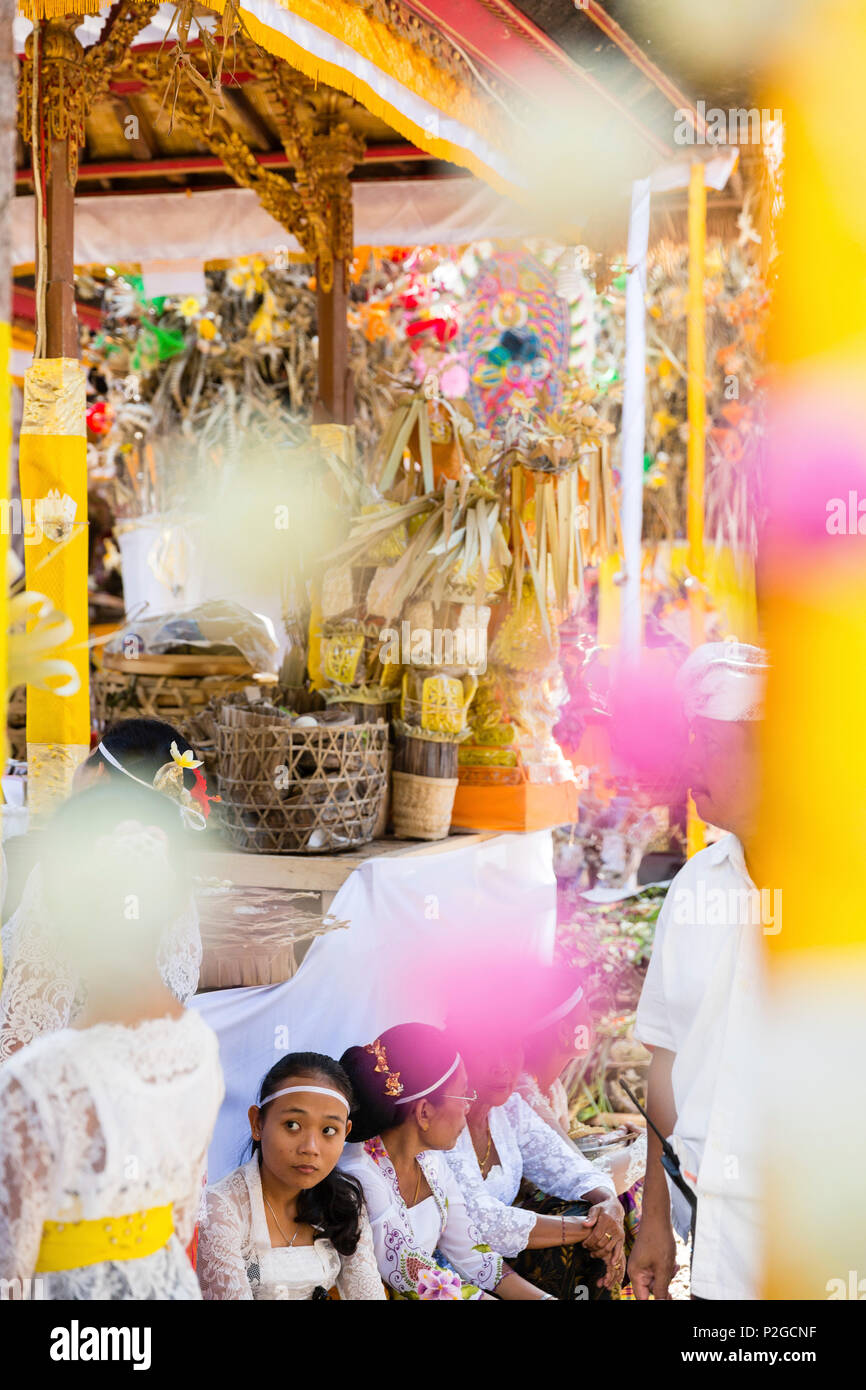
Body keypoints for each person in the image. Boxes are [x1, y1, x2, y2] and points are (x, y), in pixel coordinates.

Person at [0, 783, 224, 1298]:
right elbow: (181, 1219)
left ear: (56, 909)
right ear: (170, 910)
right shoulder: (197, 1047)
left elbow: (10, 1267)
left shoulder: (36, 1081)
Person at [628, 642, 768, 1301]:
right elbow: (666, 1059)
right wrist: (655, 1218)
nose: (690, 762)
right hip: (716, 1229)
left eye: (709, 742)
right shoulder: (696, 887)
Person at [0, 718, 206, 1060]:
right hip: (151, 1076)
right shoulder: (170, 868)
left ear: (97, 776)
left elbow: (29, 1028)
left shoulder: (68, 867)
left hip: (75, 1083)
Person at [339, 1023, 545, 1299]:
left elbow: (476, 1257)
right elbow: (416, 1277)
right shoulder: (359, 1175)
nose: (468, 1105)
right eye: (462, 1094)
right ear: (424, 1112)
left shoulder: (431, 1162)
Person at [444, 1009, 624, 1300]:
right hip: (453, 1270)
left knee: (591, 1209)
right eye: (485, 1051)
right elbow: (481, 1222)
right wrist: (594, 1229)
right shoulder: (444, 1123)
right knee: (583, 1232)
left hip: (499, 1261)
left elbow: (568, 1166)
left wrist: (608, 1202)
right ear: (460, 1056)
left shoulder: (510, 1109)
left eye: (511, 1049)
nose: (502, 1066)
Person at [197, 1052, 385, 1300]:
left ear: (345, 1132)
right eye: (292, 1125)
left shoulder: (342, 1203)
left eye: (329, 1130)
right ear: (257, 1123)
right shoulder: (221, 1210)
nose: (310, 1147)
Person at [515, 965, 646, 1297]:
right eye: (586, 1011)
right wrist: (651, 1149)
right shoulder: (521, 1092)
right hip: (522, 1237)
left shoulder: (551, 1087)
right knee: (619, 1192)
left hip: (546, 1219)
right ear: (564, 1032)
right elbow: (583, 1174)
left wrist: (618, 1140)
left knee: (626, 1184)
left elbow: (571, 1146)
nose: (594, 1023)